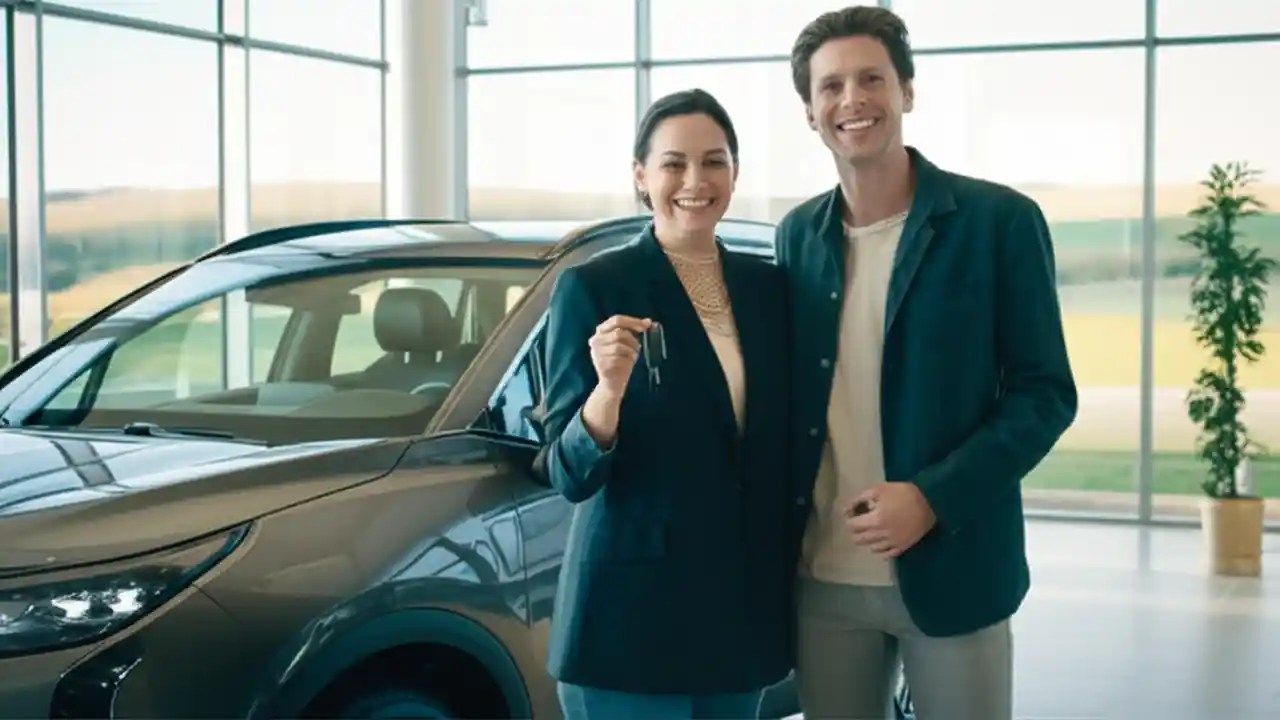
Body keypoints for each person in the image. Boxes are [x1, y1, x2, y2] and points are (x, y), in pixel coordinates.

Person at [776, 6, 1078, 720]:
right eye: (831, 86)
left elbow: (1044, 395)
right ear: (810, 112)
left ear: (907, 91)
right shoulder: (797, 236)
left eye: (872, 79)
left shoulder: (998, 223)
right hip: (822, 577)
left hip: (955, 565)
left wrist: (932, 499)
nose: (852, 99)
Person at [539, 88, 794, 719]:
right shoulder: (594, 286)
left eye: (714, 162)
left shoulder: (769, 288)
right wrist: (607, 391)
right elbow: (567, 472)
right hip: (628, 625)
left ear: (735, 173)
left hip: (735, 621)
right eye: (674, 163)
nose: (695, 181)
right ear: (641, 175)